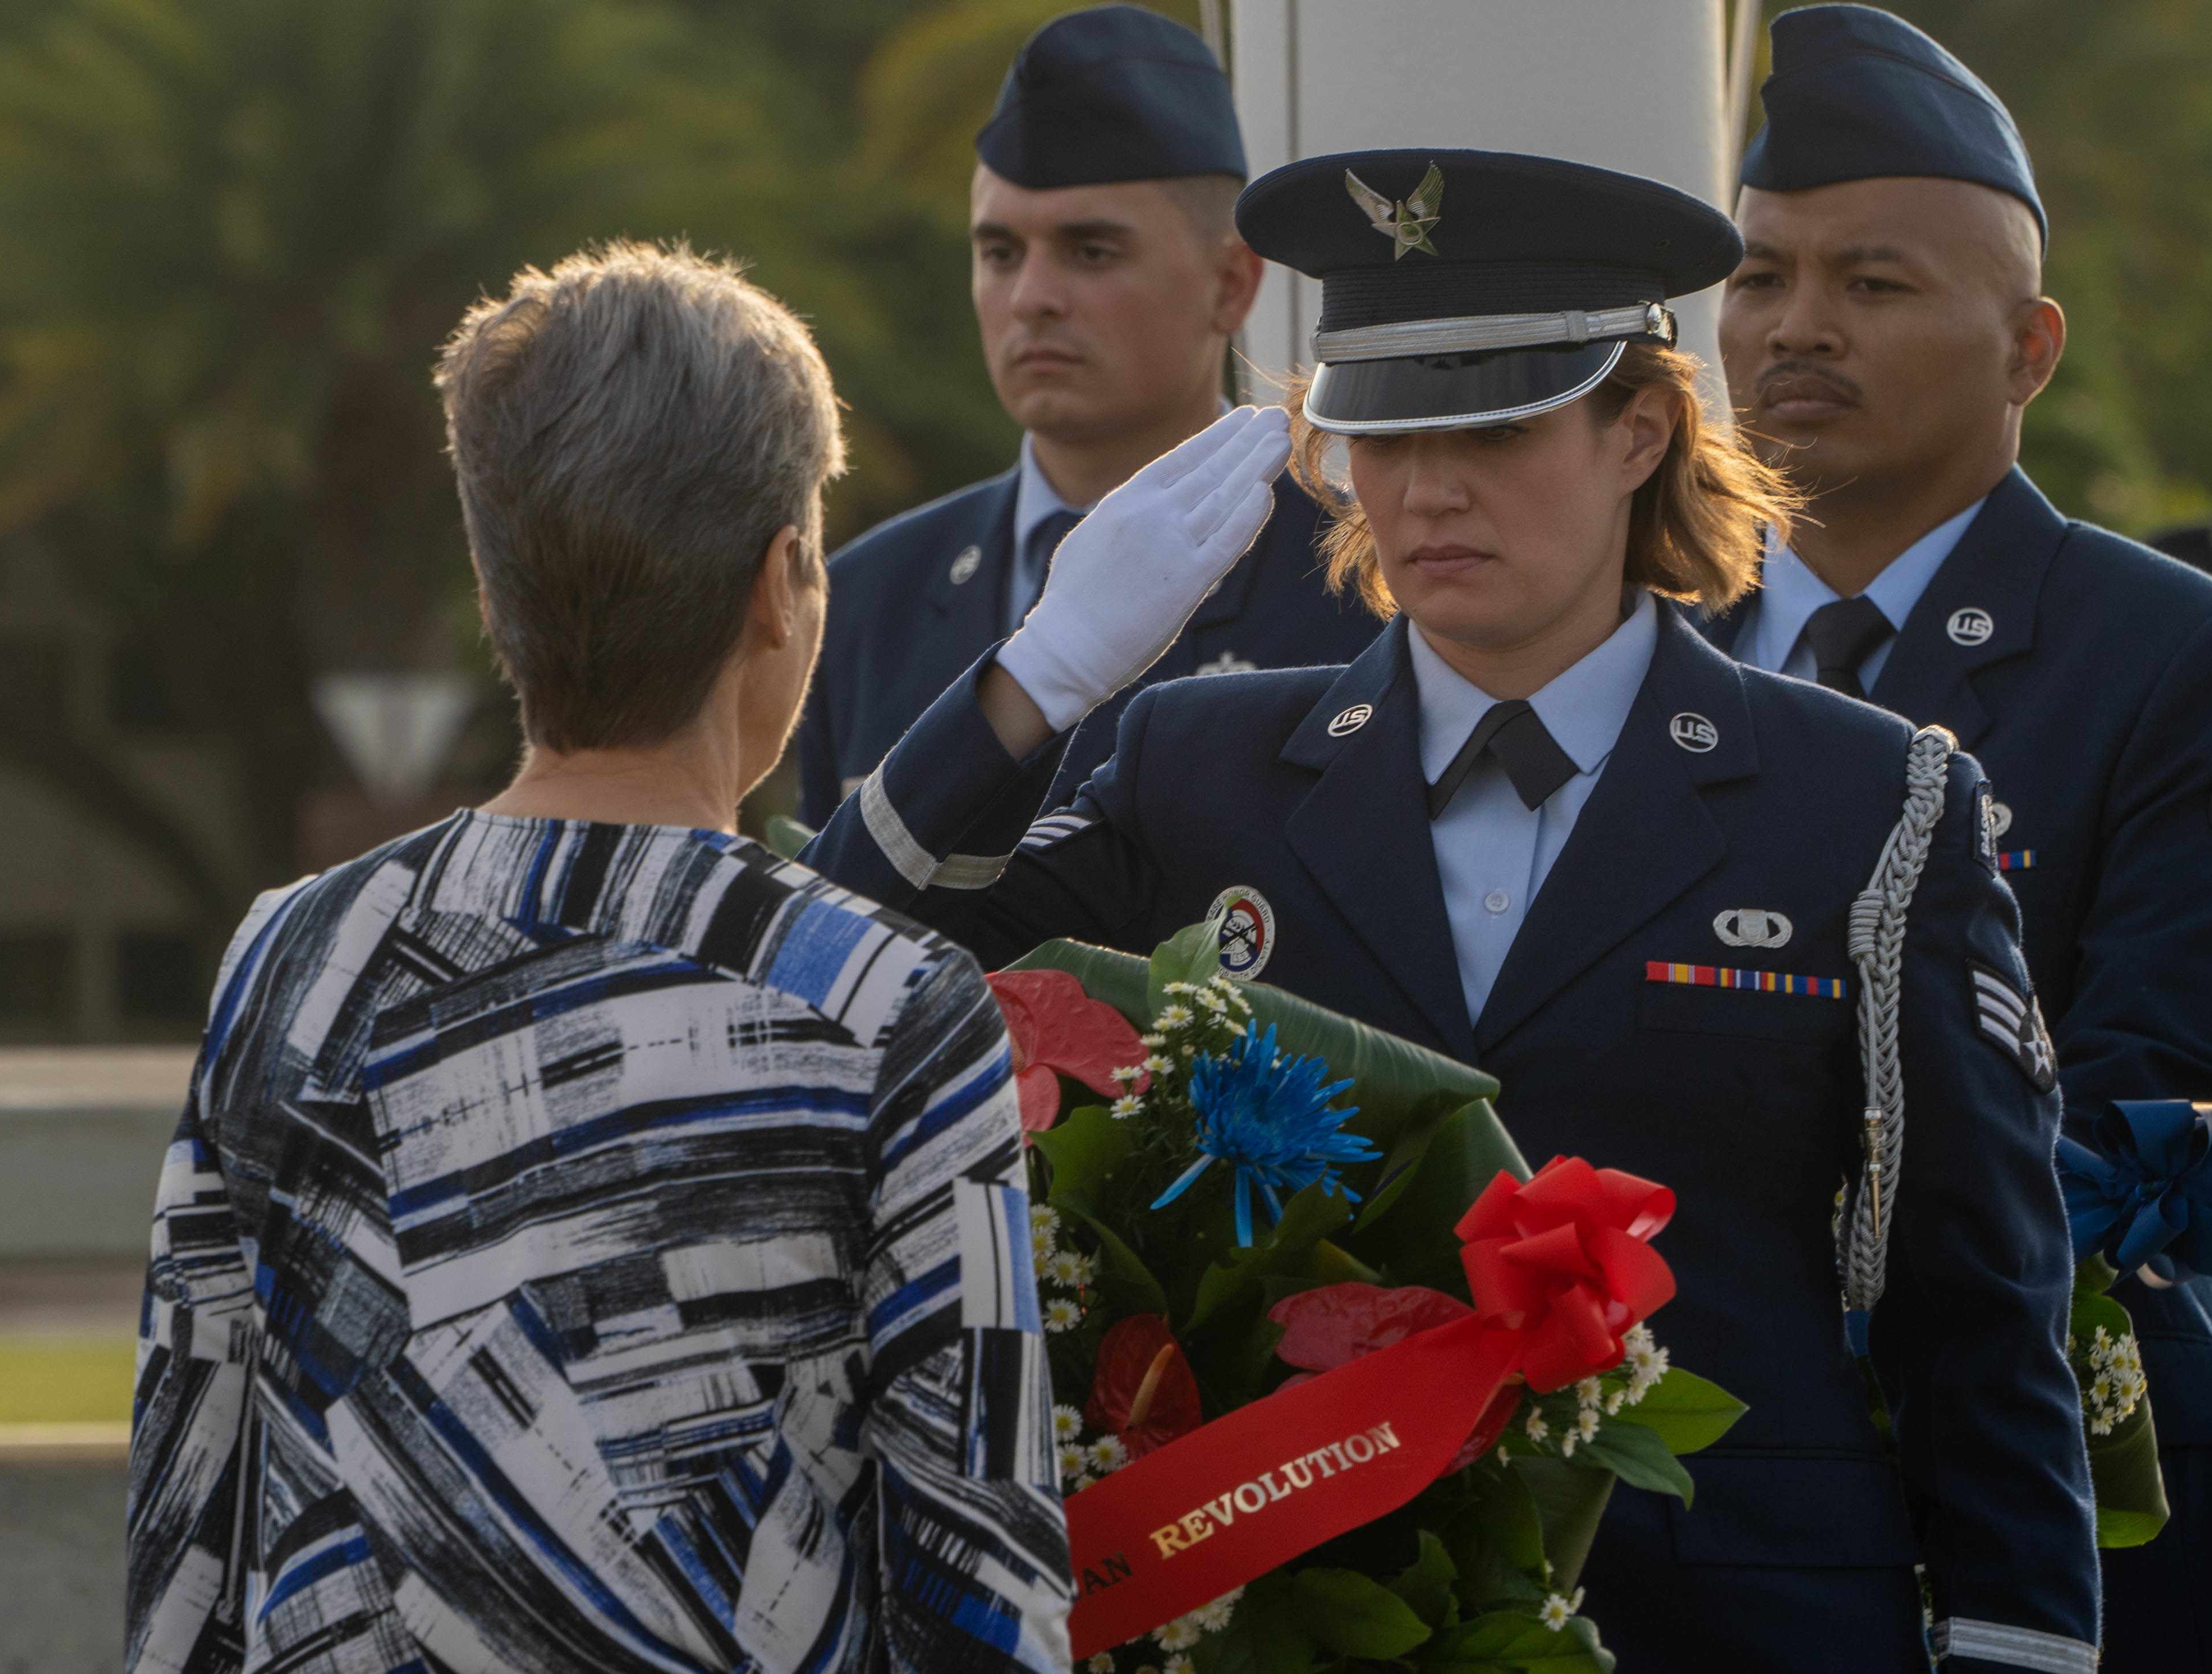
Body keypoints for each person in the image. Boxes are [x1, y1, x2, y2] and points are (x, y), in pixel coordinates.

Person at [797, 149, 2101, 1673]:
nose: (1427, 485)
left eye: (1493, 419)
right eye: (1382, 429)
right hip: (1318, 1613)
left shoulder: (1866, 800)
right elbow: (836, 978)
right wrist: (1036, 684)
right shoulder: (1197, 764)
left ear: (1637, 427)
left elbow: (1978, 1304)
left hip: (1736, 1620)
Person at [127, 243, 1070, 1674]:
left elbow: (187, 1529)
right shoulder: (886, 1006)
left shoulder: (293, 959)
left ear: (496, 582)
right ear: (781, 583)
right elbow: (980, 1590)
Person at [1709, 9, 2212, 1672]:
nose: (1794, 329)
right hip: (1681, 1515)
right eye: (1760, 277)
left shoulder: (2185, 663)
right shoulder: (1625, 648)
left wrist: (1724, 1274)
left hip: (2069, 1520)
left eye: (1874, 284)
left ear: (2030, 349)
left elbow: (2160, 1135)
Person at [796, 3, 1378, 822]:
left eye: (1091, 251)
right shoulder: (864, 601)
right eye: (999, 253)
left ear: (1231, 285)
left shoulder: (1361, 581)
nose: (1031, 298)